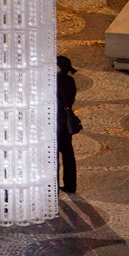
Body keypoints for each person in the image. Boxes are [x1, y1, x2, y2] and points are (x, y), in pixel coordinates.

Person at [56, 55, 78, 194]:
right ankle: (70, 184)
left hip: (56, 123)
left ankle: (53, 185)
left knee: (53, 155)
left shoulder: (55, 82)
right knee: (68, 153)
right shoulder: (70, 80)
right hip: (65, 122)